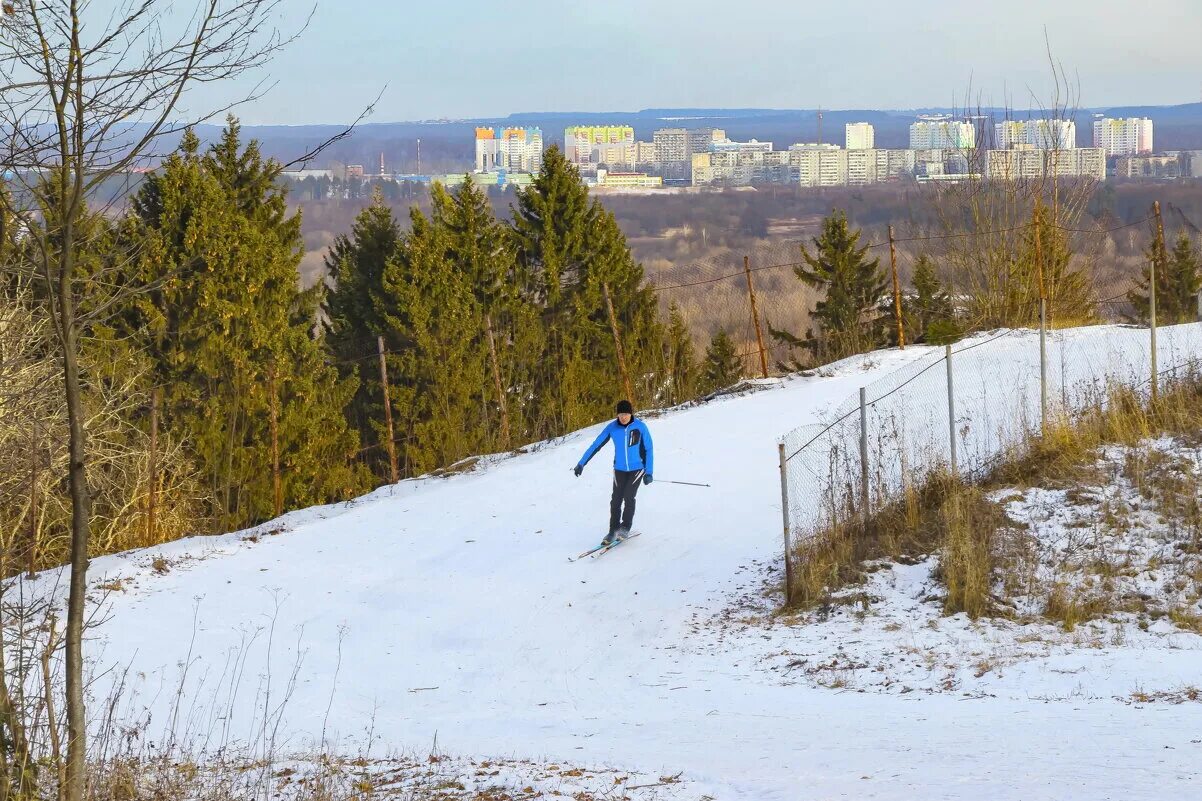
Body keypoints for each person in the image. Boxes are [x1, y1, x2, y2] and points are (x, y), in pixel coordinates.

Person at [573, 400, 654, 545]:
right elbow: (596, 445)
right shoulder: (612, 428)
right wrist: (581, 463)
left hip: (637, 468)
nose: (623, 417)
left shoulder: (640, 427)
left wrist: (649, 472)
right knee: (616, 499)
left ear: (631, 413)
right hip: (620, 469)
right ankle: (613, 529)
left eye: (626, 414)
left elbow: (649, 449)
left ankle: (625, 526)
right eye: (621, 414)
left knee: (629, 496)